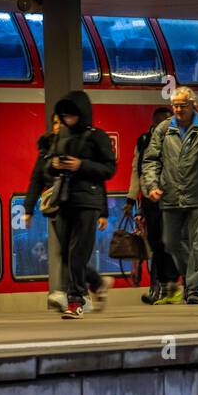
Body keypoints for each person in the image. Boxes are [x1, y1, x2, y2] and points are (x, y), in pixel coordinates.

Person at [141, 87, 198, 305]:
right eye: (175, 105)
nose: (177, 109)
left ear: (193, 104)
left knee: (197, 244)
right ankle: (195, 272)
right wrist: (151, 185)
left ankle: (193, 289)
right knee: (170, 241)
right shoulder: (164, 129)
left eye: (182, 105)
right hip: (171, 195)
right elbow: (150, 160)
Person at [47, 91, 117, 319]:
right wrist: (56, 164)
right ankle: (86, 291)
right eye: (64, 115)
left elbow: (109, 169)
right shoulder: (61, 135)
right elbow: (47, 165)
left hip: (87, 202)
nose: (67, 118)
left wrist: (81, 165)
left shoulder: (98, 136)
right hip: (65, 200)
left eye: (71, 114)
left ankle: (75, 301)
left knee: (77, 253)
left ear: (82, 113)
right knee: (67, 253)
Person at [131, 106, 180, 304]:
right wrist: (131, 199)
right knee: (156, 243)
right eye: (161, 122)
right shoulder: (143, 140)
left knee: (169, 242)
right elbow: (137, 170)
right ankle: (164, 286)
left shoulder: (178, 138)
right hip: (151, 198)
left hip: (172, 199)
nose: (165, 126)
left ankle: (171, 285)